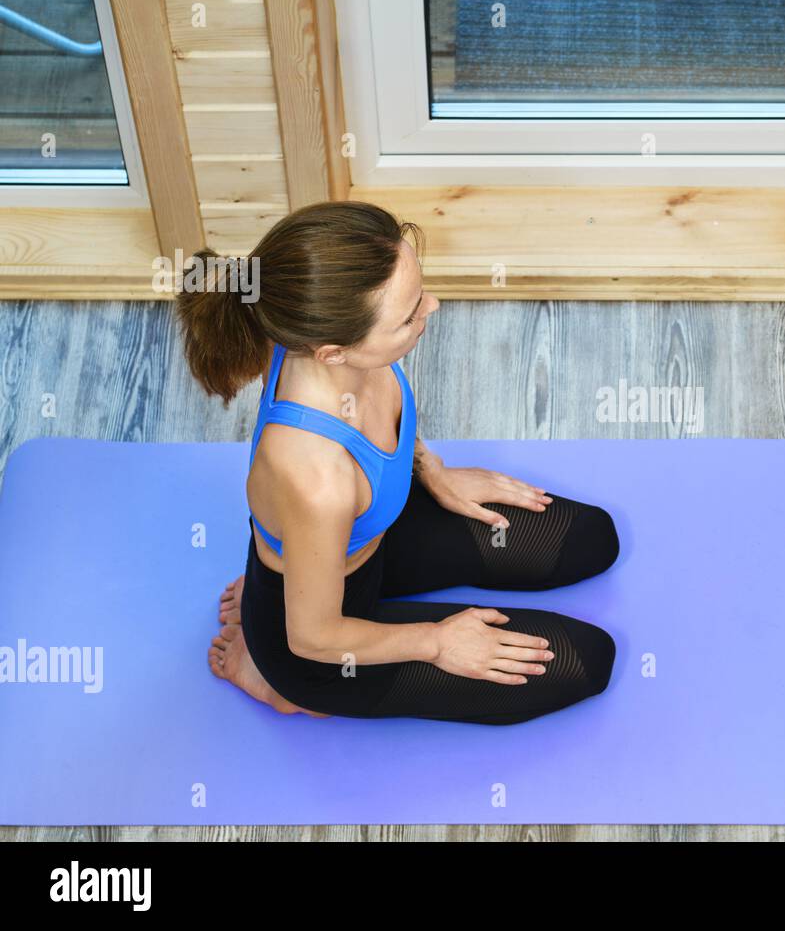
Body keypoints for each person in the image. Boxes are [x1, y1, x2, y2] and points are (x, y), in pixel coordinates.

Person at [175, 200, 619, 724]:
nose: (433, 307)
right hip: (319, 649)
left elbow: (384, 420)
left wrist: (434, 471)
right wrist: (437, 642)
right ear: (333, 352)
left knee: (591, 538)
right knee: (585, 661)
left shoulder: (305, 322)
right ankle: (274, 678)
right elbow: (315, 635)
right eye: (409, 313)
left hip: (362, 542)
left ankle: (287, 578)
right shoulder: (318, 477)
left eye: (420, 290)